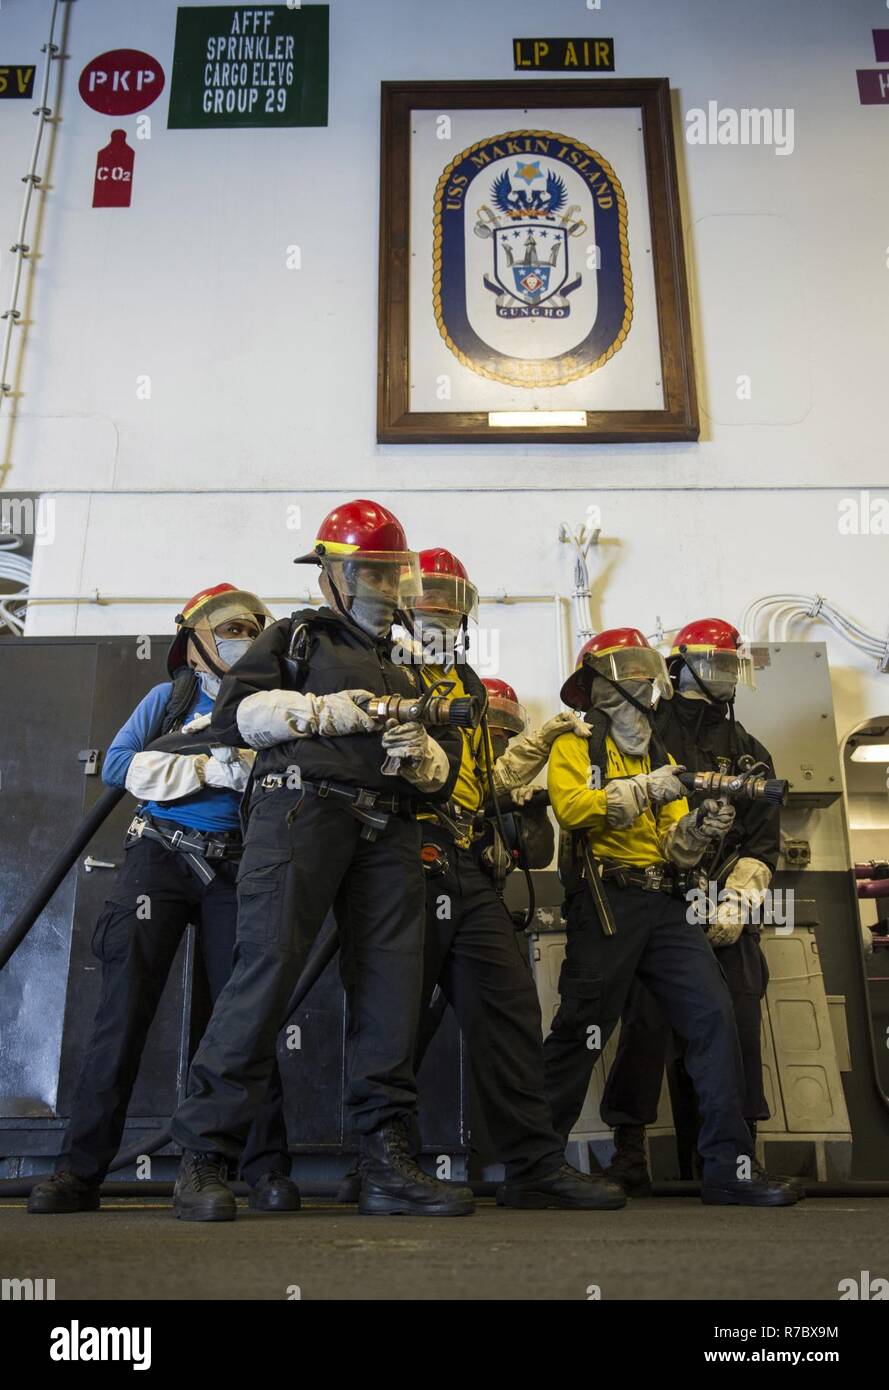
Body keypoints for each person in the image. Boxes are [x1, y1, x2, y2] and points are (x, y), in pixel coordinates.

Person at [169, 501, 475, 1221]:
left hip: (391, 827)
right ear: (332, 573)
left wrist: (427, 759)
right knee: (266, 972)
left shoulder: (415, 659)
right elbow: (236, 714)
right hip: (302, 811)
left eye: (388, 571)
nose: (378, 585)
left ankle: (385, 1161)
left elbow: (447, 766)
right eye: (364, 570)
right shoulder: (296, 635)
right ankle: (205, 1158)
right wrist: (319, 713)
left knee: (391, 989)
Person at [340, 548, 625, 1211]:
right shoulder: (377, 668)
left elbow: (475, 784)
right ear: (403, 602)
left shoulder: (464, 682)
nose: (438, 612)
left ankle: (530, 1165)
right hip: (399, 855)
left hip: (466, 862)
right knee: (392, 1018)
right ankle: (379, 1166)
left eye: (449, 603)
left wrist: (525, 757)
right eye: (427, 600)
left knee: (509, 1008)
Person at [29, 585, 295, 1215]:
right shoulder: (168, 700)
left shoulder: (273, 708)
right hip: (162, 856)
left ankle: (264, 1169)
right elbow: (118, 765)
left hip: (237, 867)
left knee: (246, 1015)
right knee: (122, 1014)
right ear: (195, 643)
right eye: (231, 627)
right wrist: (205, 768)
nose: (246, 635)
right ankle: (79, 1171)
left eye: (256, 627)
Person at [541, 627, 798, 1206]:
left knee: (714, 1019)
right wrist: (647, 790)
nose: (639, 678)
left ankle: (729, 1166)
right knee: (583, 1030)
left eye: (642, 666)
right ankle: (535, 1164)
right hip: (607, 902)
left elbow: (672, 844)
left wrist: (696, 829)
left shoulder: (661, 752)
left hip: (668, 901)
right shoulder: (576, 745)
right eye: (625, 669)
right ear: (596, 681)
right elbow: (576, 810)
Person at [600, 619, 779, 1193]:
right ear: (677, 666)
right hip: (657, 898)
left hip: (725, 904)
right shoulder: (643, 733)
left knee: (740, 1012)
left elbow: (763, 845)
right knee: (647, 1020)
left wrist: (735, 904)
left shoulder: (752, 753)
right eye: (715, 662)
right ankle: (630, 1149)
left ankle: (735, 1152)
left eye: (733, 664)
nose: (727, 675)